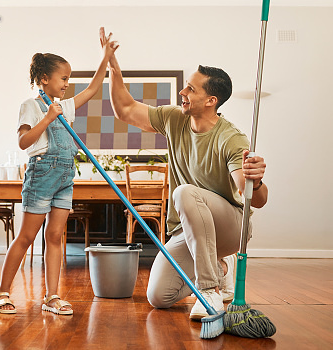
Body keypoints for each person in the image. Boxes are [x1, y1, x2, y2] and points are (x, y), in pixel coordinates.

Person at [102, 29, 268, 320]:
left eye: (191, 89)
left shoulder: (232, 139)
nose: (183, 92)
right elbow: (126, 110)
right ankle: (217, 268)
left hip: (230, 228)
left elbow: (255, 199)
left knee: (184, 192)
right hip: (188, 229)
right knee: (159, 297)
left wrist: (257, 179)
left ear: (210, 101)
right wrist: (112, 65)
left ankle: (209, 288)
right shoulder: (173, 119)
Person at [0, 29, 119, 315]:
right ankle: (1, 292)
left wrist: (105, 58)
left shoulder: (65, 107)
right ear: (44, 79)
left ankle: (52, 296)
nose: (67, 85)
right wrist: (48, 118)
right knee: (26, 236)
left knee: (55, 236)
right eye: (63, 79)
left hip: (64, 178)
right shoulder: (31, 106)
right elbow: (24, 143)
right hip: (41, 175)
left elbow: (93, 89)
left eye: (69, 79)